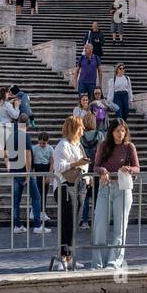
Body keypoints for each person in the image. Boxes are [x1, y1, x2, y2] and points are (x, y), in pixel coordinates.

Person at [50, 114, 90, 269]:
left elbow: (84, 164)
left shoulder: (78, 145)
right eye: (81, 127)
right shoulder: (62, 145)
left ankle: (70, 256)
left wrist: (86, 174)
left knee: (74, 223)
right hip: (65, 186)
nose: (83, 129)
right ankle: (62, 257)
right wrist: (77, 164)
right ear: (74, 128)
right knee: (67, 222)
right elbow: (58, 167)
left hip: (79, 186)